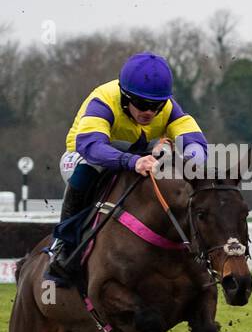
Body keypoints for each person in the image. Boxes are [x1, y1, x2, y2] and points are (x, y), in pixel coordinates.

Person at [46, 52, 209, 285]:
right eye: (142, 104)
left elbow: (195, 142)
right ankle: (64, 244)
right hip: (86, 155)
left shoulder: (169, 107)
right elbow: (92, 146)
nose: (149, 112)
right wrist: (132, 161)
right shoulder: (103, 101)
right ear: (125, 96)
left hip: (137, 156)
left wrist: (190, 161)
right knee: (87, 170)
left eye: (156, 105)